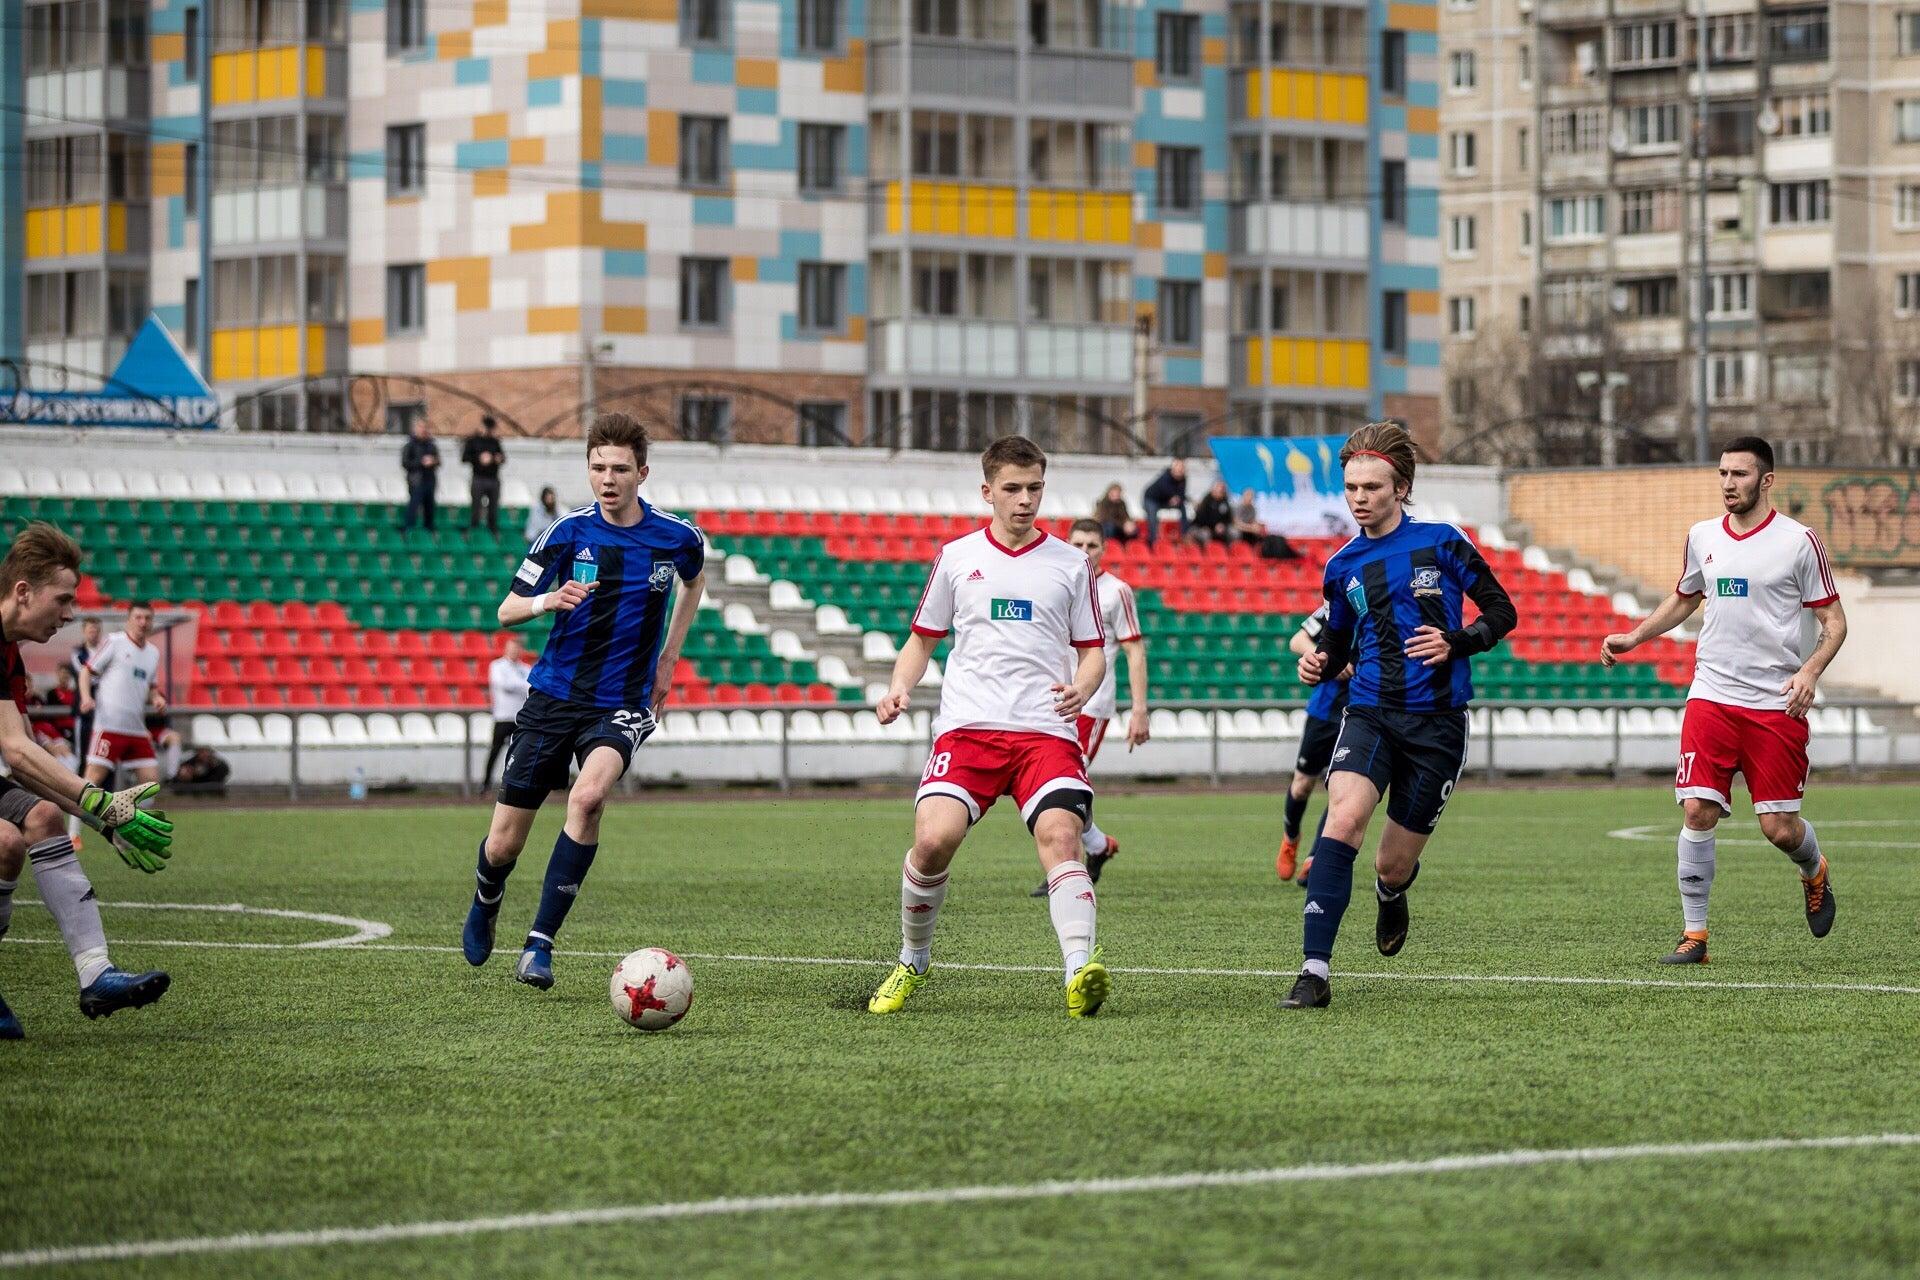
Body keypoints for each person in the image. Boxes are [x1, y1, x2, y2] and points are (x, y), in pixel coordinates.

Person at [459, 413, 706, 990]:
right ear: (588, 470)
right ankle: (486, 898)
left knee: (589, 798)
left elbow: (695, 582)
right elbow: (506, 609)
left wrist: (669, 658)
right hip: (552, 698)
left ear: (642, 472)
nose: (608, 478)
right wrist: (549, 599)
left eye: (621, 468)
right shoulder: (566, 533)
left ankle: (539, 944)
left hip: (623, 701)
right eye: (598, 468)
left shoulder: (677, 537)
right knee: (503, 842)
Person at [868, 436, 1111, 1018]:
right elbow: (922, 640)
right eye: (1012, 489)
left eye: (1034, 489)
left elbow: (1094, 651)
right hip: (968, 730)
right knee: (931, 843)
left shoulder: (1071, 564)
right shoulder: (955, 558)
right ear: (988, 492)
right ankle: (912, 959)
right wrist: (900, 685)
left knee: (1060, 836)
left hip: (1044, 733)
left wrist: (1084, 685)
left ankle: (1080, 970)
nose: (1025, 500)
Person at [1281, 422, 1517, 1010]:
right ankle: (1314, 971)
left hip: (1437, 724)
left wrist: (1456, 642)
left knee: (1391, 862)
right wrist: (1319, 662)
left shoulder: (1442, 541)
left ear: (1402, 487)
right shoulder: (1341, 566)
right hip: (1369, 712)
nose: (1359, 498)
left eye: (1371, 486)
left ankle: (1392, 892)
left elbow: (1501, 609)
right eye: (1351, 487)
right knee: (1344, 817)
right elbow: (1336, 639)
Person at [1601, 437, 1847, 965]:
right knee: (1697, 809)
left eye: (1739, 474)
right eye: (1722, 473)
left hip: (1776, 705)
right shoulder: (1702, 536)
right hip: (1711, 696)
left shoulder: (1800, 542)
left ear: (1767, 480)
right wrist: (1636, 636)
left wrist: (1809, 672)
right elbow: (1685, 596)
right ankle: (1695, 936)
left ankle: (1814, 870)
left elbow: (1834, 622)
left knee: (1778, 829)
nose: (1728, 483)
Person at [0, 523, 176, 1038]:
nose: (72, 614)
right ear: (23, 592)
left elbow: (21, 755)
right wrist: (101, 802)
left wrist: (101, 821)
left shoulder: (8, 652)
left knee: (42, 816)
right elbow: (15, 750)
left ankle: (97, 974)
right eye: (64, 600)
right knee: (6, 839)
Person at [1028, 519, 1150, 897]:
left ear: (1104, 549)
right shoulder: (1055, 584)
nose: (1084, 551)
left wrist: (1139, 709)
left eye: (1092, 545)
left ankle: (1067, 869)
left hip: (1091, 705)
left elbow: (1134, 651)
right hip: (1049, 701)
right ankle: (1097, 845)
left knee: (1061, 784)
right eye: (1077, 543)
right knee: (1048, 784)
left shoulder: (1116, 592)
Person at [1276, 602, 1352, 885]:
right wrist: (1325, 658)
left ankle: (1315, 858)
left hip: (1360, 715)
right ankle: (1290, 839)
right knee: (1302, 786)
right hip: (1324, 712)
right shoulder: (1338, 606)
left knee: (1343, 790)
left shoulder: (1388, 604)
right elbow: (1297, 640)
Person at [79, 602, 164, 788]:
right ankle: (74, 818)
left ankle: (134, 817)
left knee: (150, 782)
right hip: (109, 725)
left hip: (136, 727)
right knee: (92, 779)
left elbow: (152, 686)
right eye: (138, 618)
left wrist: (157, 698)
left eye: (147, 618)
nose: (143, 622)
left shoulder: (153, 652)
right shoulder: (115, 642)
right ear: (129, 620)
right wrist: (86, 697)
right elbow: (86, 671)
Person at [483, 634, 533, 789]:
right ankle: (486, 784)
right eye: (512, 647)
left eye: (517, 648)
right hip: (503, 716)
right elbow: (505, 685)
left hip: (520, 717)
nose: (515, 651)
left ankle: (517, 783)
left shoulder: (525, 668)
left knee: (520, 752)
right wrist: (522, 685)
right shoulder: (497, 666)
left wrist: (520, 685)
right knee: (495, 751)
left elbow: (530, 687)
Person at [463, 416, 507, 534]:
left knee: (493, 509)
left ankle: (492, 531)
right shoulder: (473, 441)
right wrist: (479, 458)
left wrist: (495, 458)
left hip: (493, 479)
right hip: (479, 478)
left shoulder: (495, 442)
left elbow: (502, 458)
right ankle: (474, 531)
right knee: (476, 507)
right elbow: (465, 458)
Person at [400, 419, 442, 532]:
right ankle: (409, 530)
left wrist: (433, 461)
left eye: (425, 428)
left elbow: (439, 461)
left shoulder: (431, 445)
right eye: (420, 427)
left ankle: (428, 530)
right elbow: (405, 463)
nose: (423, 430)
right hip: (416, 481)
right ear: (415, 429)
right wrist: (421, 462)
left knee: (429, 508)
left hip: (430, 480)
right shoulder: (409, 445)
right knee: (413, 506)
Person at [69, 617, 100, 759]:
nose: (93, 633)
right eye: (90, 630)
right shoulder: (78, 653)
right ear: (84, 631)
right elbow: (83, 672)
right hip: (83, 709)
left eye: (96, 630)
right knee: (82, 751)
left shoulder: (103, 650)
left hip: (102, 708)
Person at [1141, 458, 1189, 547]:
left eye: (1182, 468)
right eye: (1178, 468)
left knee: (1183, 507)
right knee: (1152, 517)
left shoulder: (1183, 479)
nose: (1180, 470)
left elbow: (1181, 495)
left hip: (1165, 501)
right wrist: (1172, 497)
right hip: (1151, 499)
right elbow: (1165, 490)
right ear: (1173, 468)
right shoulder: (1165, 477)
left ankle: (1184, 535)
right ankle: (1152, 541)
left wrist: (1177, 499)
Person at [1191, 480, 1234, 545]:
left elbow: (1229, 518)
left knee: (1233, 532)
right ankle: (1208, 552)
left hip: (1219, 528)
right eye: (1220, 490)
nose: (1221, 492)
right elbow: (1200, 518)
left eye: (1223, 491)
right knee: (1206, 534)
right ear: (1213, 490)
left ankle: (1231, 552)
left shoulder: (1225, 502)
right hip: (1202, 527)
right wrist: (1213, 526)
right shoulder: (1206, 500)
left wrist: (1223, 525)